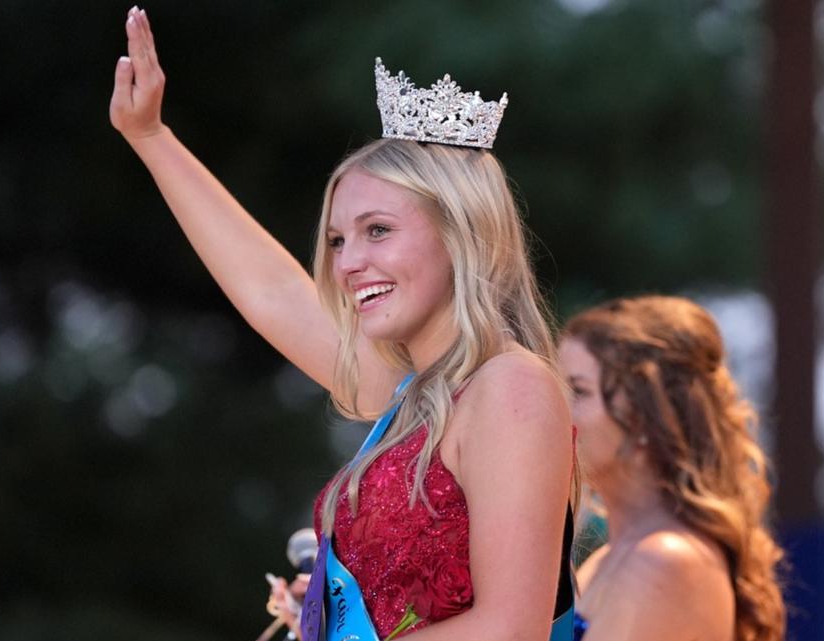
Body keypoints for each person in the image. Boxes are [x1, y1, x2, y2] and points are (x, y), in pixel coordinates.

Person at [109, 6, 576, 641]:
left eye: (377, 231)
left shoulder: (510, 389)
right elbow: (274, 294)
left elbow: (510, 629)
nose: (349, 263)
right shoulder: (412, 393)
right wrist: (151, 138)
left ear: (462, 234)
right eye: (336, 240)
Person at [560, 296, 786, 641]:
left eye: (577, 391)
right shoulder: (607, 559)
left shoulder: (666, 562)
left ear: (647, 417)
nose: (556, 411)